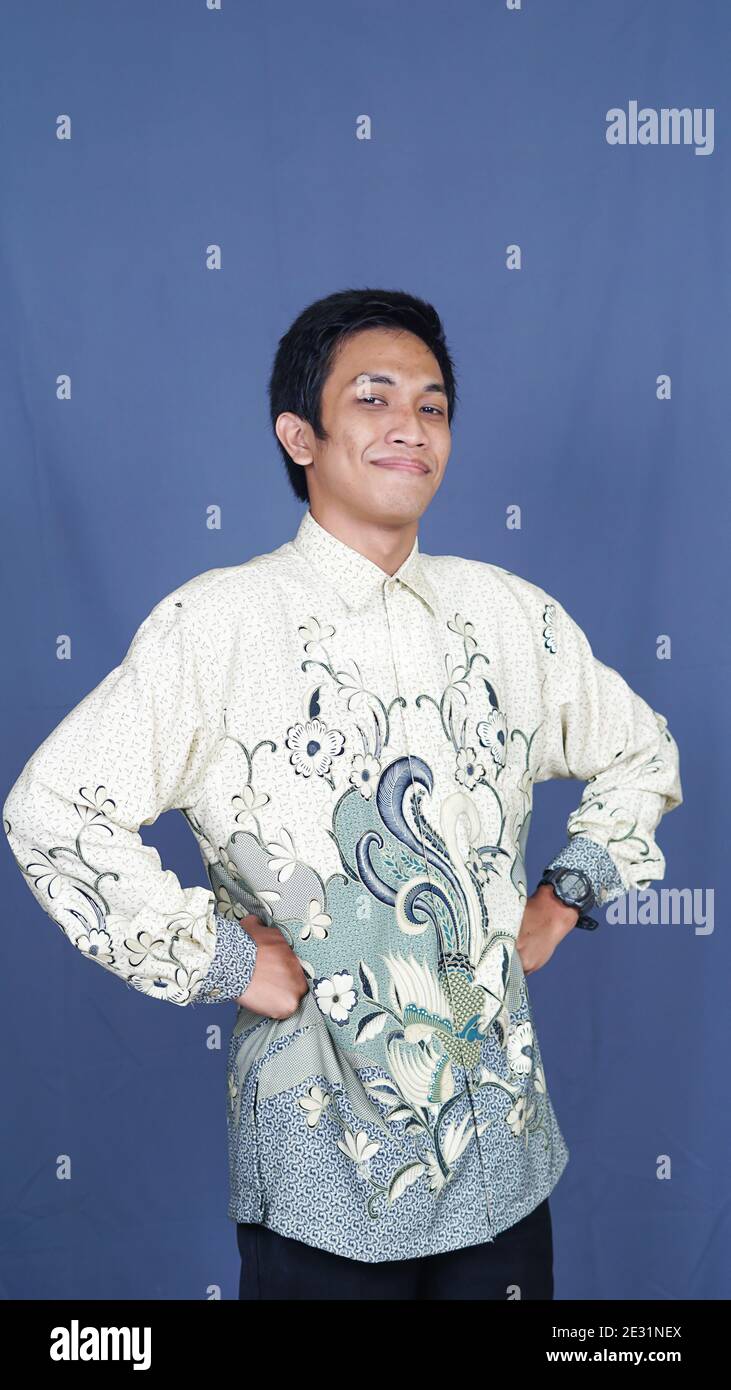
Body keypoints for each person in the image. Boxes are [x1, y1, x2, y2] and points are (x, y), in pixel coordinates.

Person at [3, 288, 682, 1301]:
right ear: (299, 434)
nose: (409, 425)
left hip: (501, 1152)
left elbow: (642, 752)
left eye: (432, 404)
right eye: (373, 399)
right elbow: (51, 809)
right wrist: (222, 956)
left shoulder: (508, 616)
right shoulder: (217, 625)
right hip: (324, 1165)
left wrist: (564, 895)